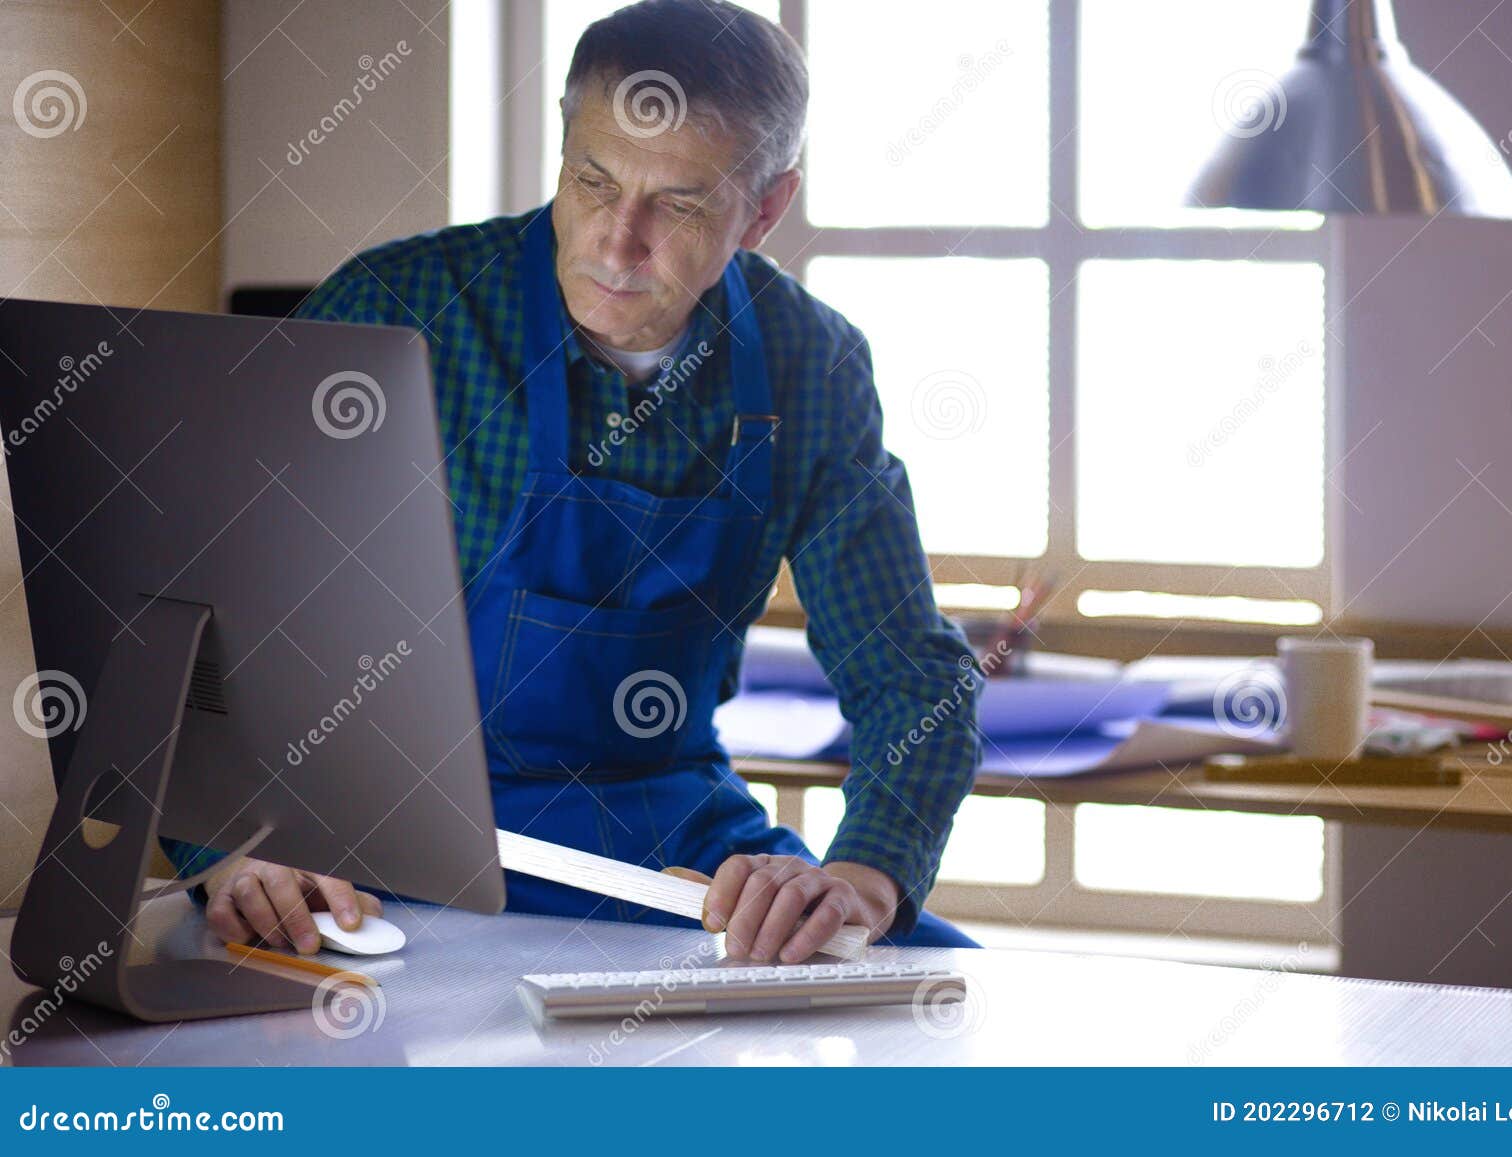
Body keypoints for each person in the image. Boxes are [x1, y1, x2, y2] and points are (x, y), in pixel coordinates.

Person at [163, 0, 982, 963]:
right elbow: (198, 607)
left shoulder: (812, 364)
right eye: (593, 180)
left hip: (662, 839)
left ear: (764, 208)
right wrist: (227, 848)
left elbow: (911, 675)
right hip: (366, 838)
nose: (614, 241)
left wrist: (860, 881)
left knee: (922, 984)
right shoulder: (393, 311)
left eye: (677, 204)